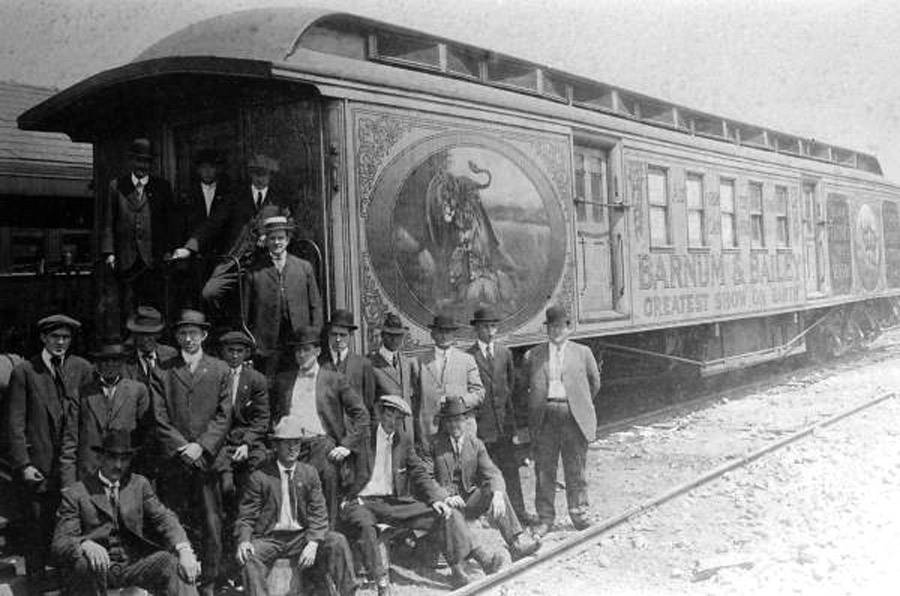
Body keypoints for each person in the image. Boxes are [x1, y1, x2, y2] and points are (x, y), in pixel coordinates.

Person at [338, 395, 501, 593]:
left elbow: (419, 473)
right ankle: (381, 582)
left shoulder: (403, 441)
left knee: (445, 512)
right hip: (361, 501)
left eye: (398, 419)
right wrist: (345, 495)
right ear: (380, 414)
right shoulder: (364, 437)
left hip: (392, 502)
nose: (392, 422)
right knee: (366, 526)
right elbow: (342, 459)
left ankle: (459, 569)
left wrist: (438, 498)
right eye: (389, 415)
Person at [51, 430, 202, 596]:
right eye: (112, 458)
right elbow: (60, 541)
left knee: (173, 562)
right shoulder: (77, 492)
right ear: (99, 458)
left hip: (133, 567)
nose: (118, 465)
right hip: (97, 571)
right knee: (82, 562)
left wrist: (185, 550)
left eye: (124, 459)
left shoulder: (138, 484)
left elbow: (164, 518)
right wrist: (84, 544)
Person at [6, 313, 94, 588]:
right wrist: (24, 464)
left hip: (72, 467)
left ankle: (69, 586)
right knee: (36, 530)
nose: (60, 342)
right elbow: (14, 423)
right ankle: (36, 585)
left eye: (66, 337)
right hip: (38, 468)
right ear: (43, 338)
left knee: (70, 529)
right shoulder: (26, 371)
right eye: (55, 337)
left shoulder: (82, 368)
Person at [154, 309, 233, 596]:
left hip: (208, 462)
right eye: (183, 334)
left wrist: (201, 446)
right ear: (176, 337)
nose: (188, 339)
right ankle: (179, 585)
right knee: (175, 522)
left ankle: (209, 583)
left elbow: (224, 415)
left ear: (204, 335)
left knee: (211, 523)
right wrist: (182, 447)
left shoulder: (220, 369)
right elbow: (159, 417)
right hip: (176, 463)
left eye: (194, 333)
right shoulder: (163, 371)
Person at [234, 415, 356, 596]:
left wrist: (313, 542)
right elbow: (246, 516)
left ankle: (349, 593)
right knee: (249, 557)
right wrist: (244, 540)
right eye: (287, 443)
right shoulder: (260, 476)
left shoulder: (309, 473)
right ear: (276, 445)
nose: (293, 448)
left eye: (297, 442)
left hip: (301, 537)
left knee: (337, 541)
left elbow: (319, 512)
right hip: (270, 538)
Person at [203, 209, 323, 378]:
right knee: (268, 382)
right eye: (272, 238)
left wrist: (314, 335)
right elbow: (245, 314)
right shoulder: (255, 272)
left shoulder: (304, 267)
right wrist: (252, 342)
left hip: (299, 340)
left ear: (288, 240)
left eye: (281, 238)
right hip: (267, 344)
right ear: (266, 241)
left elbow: (315, 305)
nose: (277, 242)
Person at [271, 325, 370, 525]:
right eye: (298, 350)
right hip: (291, 445)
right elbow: (273, 414)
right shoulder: (284, 380)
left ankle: (329, 536)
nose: (301, 355)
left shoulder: (334, 379)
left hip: (321, 445)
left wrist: (346, 445)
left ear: (317, 351)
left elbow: (361, 414)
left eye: (306, 349)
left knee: (328, 481)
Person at [523, 306, 601, 536]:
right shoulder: (533, 355)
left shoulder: (583, 353)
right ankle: (545, 518)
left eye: (560, 326)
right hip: (545, 417)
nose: (556, 331)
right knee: (544, 470)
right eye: (552, 327)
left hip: (573, 417)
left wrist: (577, 403)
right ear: (546, 329)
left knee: (575, 468)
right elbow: (524, 386)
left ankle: (579, 513)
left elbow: (594, 383)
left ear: (569, 328)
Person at [431, 397, 540, 561]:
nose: (455, 425)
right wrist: (445, 496)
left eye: (458, 420)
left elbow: (493, 473)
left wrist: (498, 494)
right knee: (448, 514)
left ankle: (515, 544)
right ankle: (480, 558)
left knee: (495, 491)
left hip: (468, 500)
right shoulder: (434, 445)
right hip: (446, 503)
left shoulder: (475, 444)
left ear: (465, 421)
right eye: (450, 421)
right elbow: (428, 479)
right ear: (445, 423)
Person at [465, 306, 533, 524]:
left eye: (493, 326)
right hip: (482, 427)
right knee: (487, 474)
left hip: (504, 426)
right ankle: (491, 517)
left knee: (511, 471)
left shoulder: (505, 353)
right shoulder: (469, 356)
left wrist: (513, 425)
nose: (490, 331)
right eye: (485, 327)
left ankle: (519, 513)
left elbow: (511, 388)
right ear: (477, 329)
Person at [214, 330, 271, 582]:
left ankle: (249, 552)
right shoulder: (214, 375)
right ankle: (225, 561)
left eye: (239, 351)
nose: (235, 356)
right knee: (223, 490)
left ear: (246, 353)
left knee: (253, 485)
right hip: (220, 444)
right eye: (230, 351)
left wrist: (247, 443)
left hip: (248, 443)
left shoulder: (256, 379)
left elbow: (262, 419)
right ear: (222, 352)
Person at [100, 137, 176, 316]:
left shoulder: (162, 187)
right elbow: (109, 222)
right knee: (126, 304)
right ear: (131, 161)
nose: (142, 165)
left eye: (146, 161)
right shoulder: (117, 186)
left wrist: (168, 250)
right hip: (125, 257)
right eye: (138, 160)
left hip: (152, 259)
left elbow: (170, 223)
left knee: (152, 305)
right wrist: (109, 253)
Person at [60, 342, 152, 486]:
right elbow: (70, 440)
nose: (110, 365)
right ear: (96, 364)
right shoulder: (83, 393)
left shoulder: (138, 391)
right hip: (89, 474)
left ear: (123, 363)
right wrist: (68, 484)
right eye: (104, 361)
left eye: (115, 360)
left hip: (126, 474)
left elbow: (146, 438)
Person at [170, 148, 233, 307]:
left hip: (220, 254)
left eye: (211, 167)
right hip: (195, 256)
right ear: (198, 170)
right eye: (204, 167)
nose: (208, 172)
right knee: (196, 295)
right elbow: (179, 225)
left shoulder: (227, 192)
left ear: (217, 169)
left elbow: (221, 222)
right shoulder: (187, 193)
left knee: (219, 298)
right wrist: (182, 248)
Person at [414, 313, 484, 450]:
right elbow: (415, 399)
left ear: (454, 335)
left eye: (448, 332)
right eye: (440, 331)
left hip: (462, 427)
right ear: (432, 334)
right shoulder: (420, 362)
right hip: (431, 431)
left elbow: (479, 392)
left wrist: (460, 402)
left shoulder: (467, 360)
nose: (444, 336)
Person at [367, 312, 418, 444]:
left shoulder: (407, 363)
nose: (395, 340)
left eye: (399, 335)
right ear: (383, 335)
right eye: (390, 335)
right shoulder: (370, 364)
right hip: (384, 434)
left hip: (407, 434)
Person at [319, 308, 376, 417]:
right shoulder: (319, 363)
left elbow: (369, 404)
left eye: (342, 335)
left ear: (351, 336)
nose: (338, 339)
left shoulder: (363, 365)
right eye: (334, 334)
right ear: (328, 335)